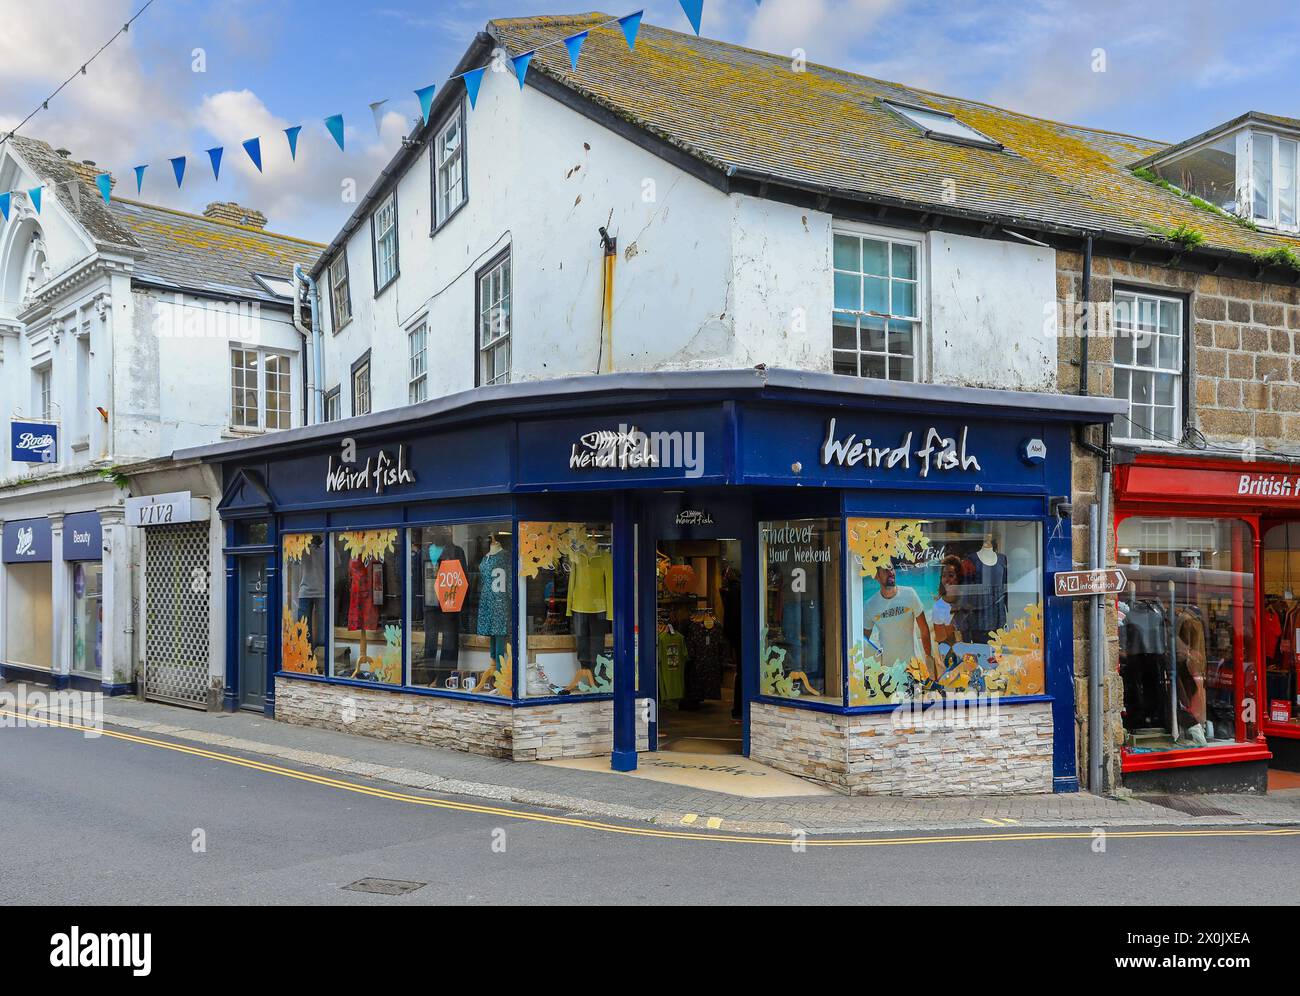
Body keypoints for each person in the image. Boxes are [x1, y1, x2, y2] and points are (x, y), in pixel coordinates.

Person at [864, 561, 937, 686]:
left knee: (914, 704)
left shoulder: (909, 594)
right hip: (887, 671)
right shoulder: (871, 605)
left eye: (891, 569)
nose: (890, 573)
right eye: (885, 571)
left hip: (913, 668)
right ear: (876, 576)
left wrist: (928, 660)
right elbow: (864, 641)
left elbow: (924, 629)